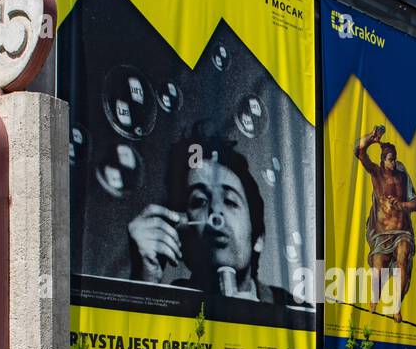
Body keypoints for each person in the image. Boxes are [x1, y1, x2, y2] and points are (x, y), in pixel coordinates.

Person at [125, 125, 294, 305]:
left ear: (258, 237)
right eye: (199, 201)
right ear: (179, 234)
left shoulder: (293, 311)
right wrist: (144, 280)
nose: (215, 211)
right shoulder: (166, 306)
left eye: (229, 201)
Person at [355, 125, 416, 317]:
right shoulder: (376, 172)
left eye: (395, 159)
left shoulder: (402, 177)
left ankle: (396, 306)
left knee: (402, 259)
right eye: (390, 159)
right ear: (383, 160)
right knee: (378, 270)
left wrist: (401, 205)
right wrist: (371, 138)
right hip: (382, 234)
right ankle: (374, 300)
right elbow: (358, 150)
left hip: (402, 232)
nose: (393, 162)